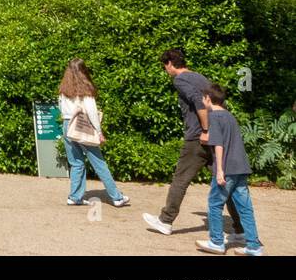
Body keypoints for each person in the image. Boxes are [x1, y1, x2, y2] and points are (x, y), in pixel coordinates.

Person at [142, 50, 243, 242]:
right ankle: (240, 230)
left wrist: (205, 130)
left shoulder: (180, 80)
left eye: (165, 66)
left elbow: (199, 102)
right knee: (224, 180)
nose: (166, 70)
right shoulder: (200, 77)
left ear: (170, 63)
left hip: (199, 137)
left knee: (181, 178)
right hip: (217, 136)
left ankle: (165, 221)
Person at [197, 85, 264, 255]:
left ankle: (216, 242)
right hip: (241, 167)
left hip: (227, 169)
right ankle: (254, 246)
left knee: (215, 203)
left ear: (208, 99)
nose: (202, 101)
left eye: (203, 98)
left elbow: (219, 145)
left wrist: (219, 170)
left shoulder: (214, 117)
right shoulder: (229, 116)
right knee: (245, 208)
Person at [57, 59, 129, 207]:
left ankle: (74, 197)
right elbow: (92, 113)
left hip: (67, 125)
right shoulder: (86, 90)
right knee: (99, 163)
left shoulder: (64, 90)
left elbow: (61, 109)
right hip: (82, 126)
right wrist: (99, 131)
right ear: (83, 71)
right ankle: (117, 197)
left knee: (76, 163)